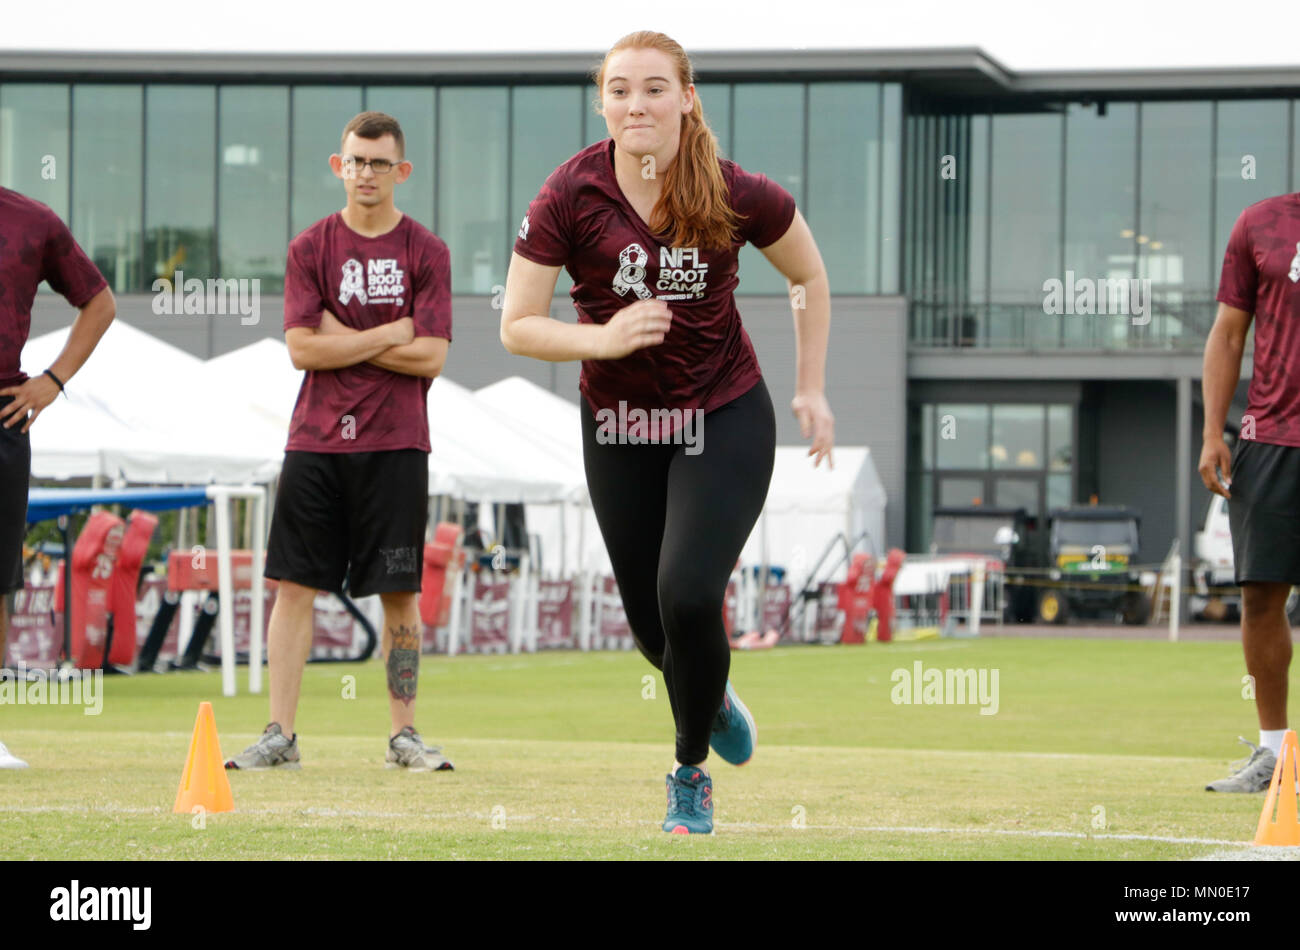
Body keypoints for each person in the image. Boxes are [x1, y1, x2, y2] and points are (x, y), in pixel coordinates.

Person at [501, 31, 834, 833]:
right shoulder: (567, 195)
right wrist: (603, 338)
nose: (635, 104)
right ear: (601, 102)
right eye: (619, 90)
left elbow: (808, 275)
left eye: (653, 88)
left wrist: (811, 388)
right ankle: (713, 697)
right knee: (656, 632)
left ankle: (689, 772)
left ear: (686, 97)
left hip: (722, 411)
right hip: (619, 423)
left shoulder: (733, 191)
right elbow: (517, 324)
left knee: (688, 592)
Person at [226, 112, 454, 772]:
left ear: (401, 172)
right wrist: (389, 333)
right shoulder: (310, 249)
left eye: (380, 164)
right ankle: (280, 734)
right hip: (316, 442)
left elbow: (433, 357)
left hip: (396, 443)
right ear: (338, 166)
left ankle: (404, 736)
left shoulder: (427, 252)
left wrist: (343, 339)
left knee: (400, 593)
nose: (366, 174)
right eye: (356, 162)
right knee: (294, 587)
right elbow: (302, 350)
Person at [0, 187, 116, 770]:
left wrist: (53, 378)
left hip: (2, 413)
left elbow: (99, 302)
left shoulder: (32, 221)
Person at [1200, 193, 1300, 792]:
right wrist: (1214, 431)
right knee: (1261, 596)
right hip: (1271, 440)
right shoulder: (1260, 222)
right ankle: (1275, 755)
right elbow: (1229, 334)